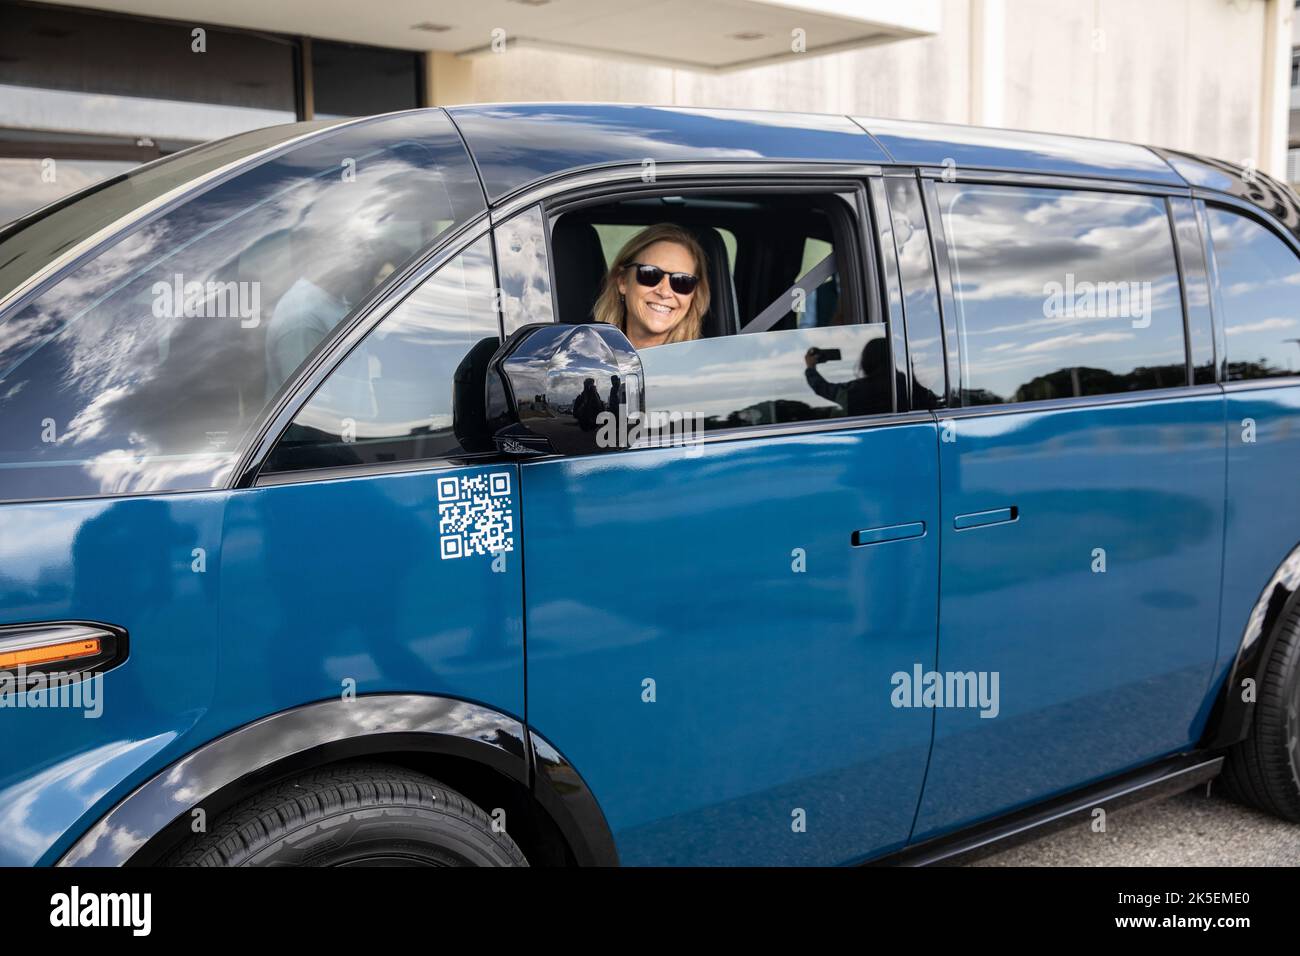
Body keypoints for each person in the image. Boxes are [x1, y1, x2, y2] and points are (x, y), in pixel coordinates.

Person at [592, 224, 710, 349]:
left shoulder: (709, 366)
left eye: (682, 281)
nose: (664, 292)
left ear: (694, 294)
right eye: (650, 274)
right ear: (623, 280)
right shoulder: (582, 355)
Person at [804, 336, 939, 415]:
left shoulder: (855, 391)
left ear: (866, 361)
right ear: (893, 359)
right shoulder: (912, 389)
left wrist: (811, 368)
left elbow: (824, 388)